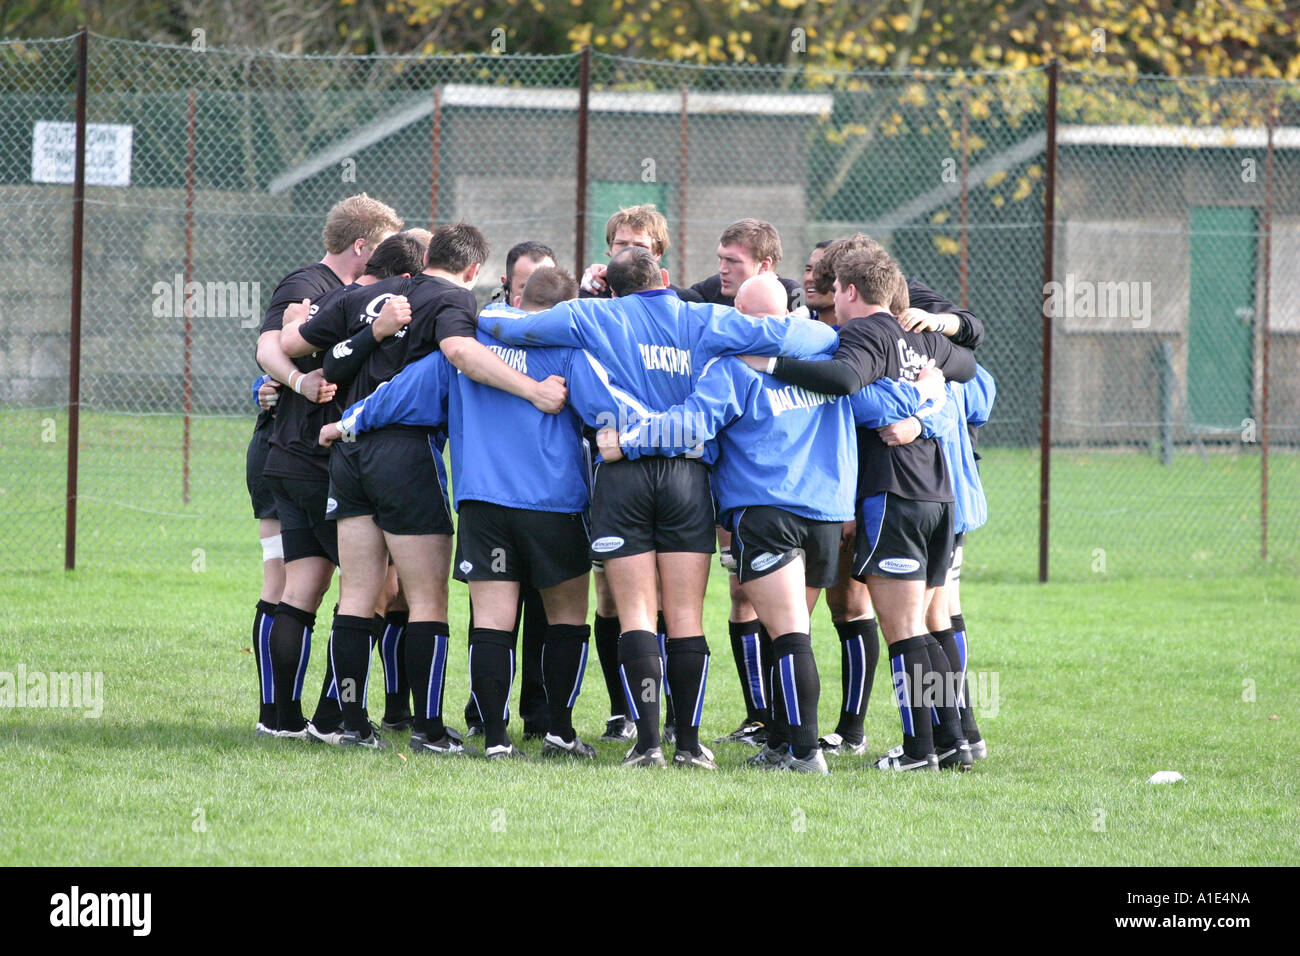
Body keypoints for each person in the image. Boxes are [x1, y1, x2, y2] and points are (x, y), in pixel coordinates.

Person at [478, 246, 837, 768]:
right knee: (686, 615)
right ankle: (689, 746)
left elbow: (507, 326)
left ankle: (647, 744)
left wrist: (476, 311)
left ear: (612, 288)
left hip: (621, 473)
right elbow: (812, 335)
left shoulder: (590, 314)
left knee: (637, 614)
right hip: (687, 476)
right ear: (665, 278)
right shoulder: (703, 317)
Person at [600, 274, 947, 774]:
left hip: (767, 512)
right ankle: (786, 744)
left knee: (788, 635)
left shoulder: (735, 367)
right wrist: (925, 398)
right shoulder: (830, 357)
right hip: (826, 517)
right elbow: (876, 404)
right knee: (792, 629)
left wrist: (628, 440)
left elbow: (691, 425)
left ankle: (805, 753)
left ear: (740, 317)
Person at [752, 244, 977, 772]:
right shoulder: (920, 336)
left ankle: (920, 750)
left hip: (892, 492)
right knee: (921, 624)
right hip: (939, 496)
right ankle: (954, 742)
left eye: (835, 291)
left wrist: (771, 363)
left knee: (905, 632)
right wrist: (927, 397)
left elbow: (844, 384)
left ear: (850, 292)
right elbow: (960, 363)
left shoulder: (862, 333)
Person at [254, 193, 402, 739]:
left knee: (306, 585)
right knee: (372, 589)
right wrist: (297, 380)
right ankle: (329, 716)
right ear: (362, 245)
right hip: (315, 458)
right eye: (385, 249)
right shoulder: (309, 288)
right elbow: (269, 347)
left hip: (296, 458)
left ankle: (286, 719)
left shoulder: (343, 297)